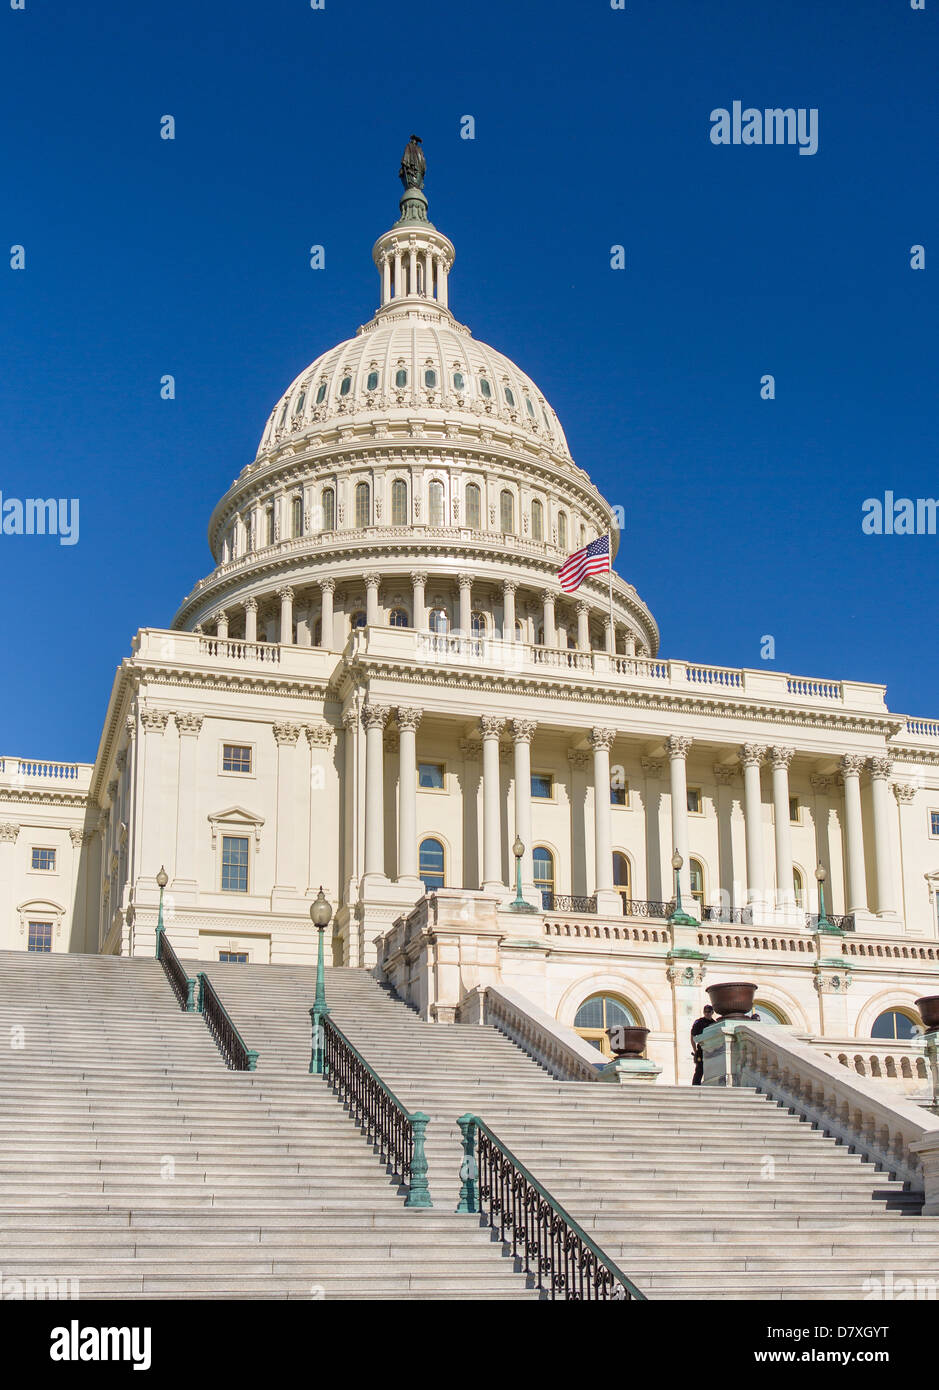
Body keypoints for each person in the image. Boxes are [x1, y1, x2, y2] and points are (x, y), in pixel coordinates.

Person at [690, 1004, 715, 1086]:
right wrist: (695, 1051)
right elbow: (693, 1037)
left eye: (709, 1012)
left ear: (712, 1012)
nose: (707, 1013)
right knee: (699, 1070)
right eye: (705, 1012)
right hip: (701, 1050)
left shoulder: (714, 1024)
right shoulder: (699, 1022)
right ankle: (695, 1086)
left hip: (711, 1050)